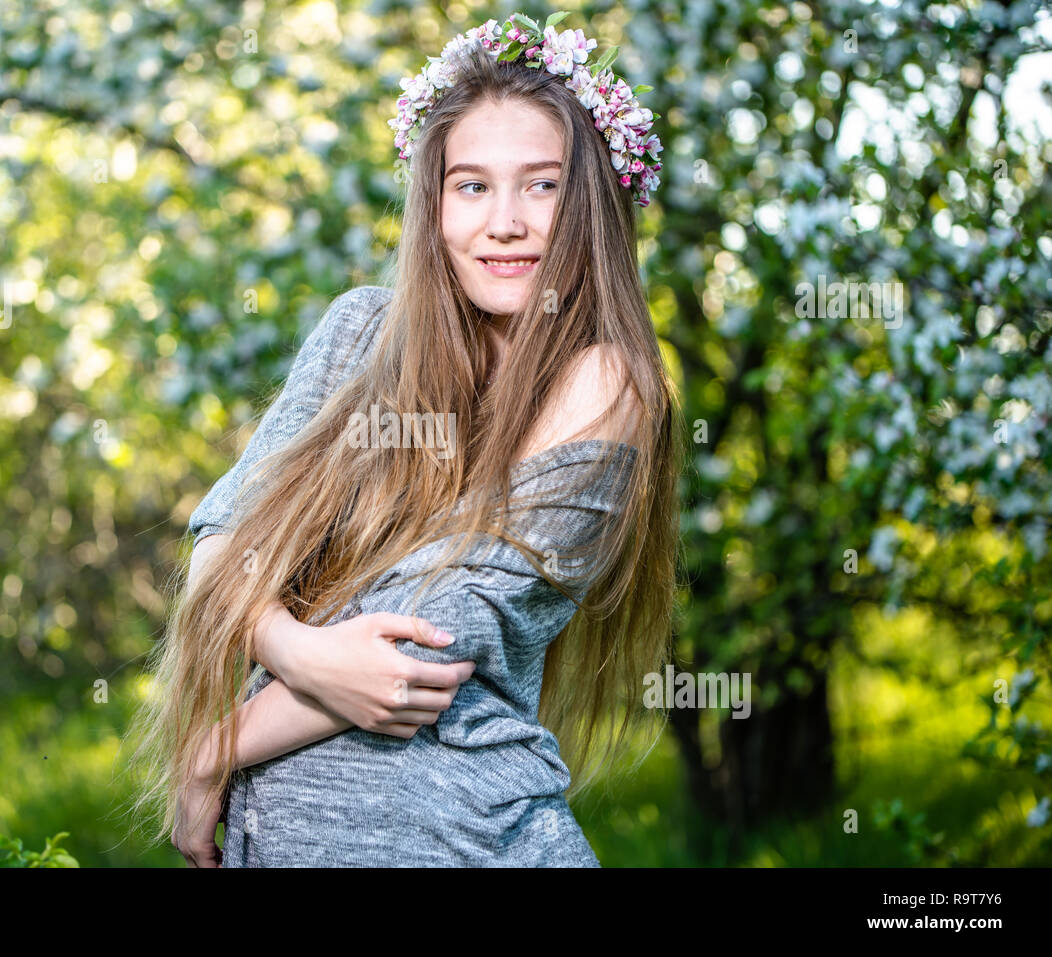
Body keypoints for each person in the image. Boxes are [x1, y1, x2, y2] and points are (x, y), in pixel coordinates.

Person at [125, 12, 685, 867]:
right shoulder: (359, 333)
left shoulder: (606, 382)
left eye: (542, 185)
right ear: (434, 204)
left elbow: (430, 645)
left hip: (471, 837)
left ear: (590, 204)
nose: (505, 222)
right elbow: (223, 539)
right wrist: (296, 647)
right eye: (471, 186)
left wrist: (214, 748)